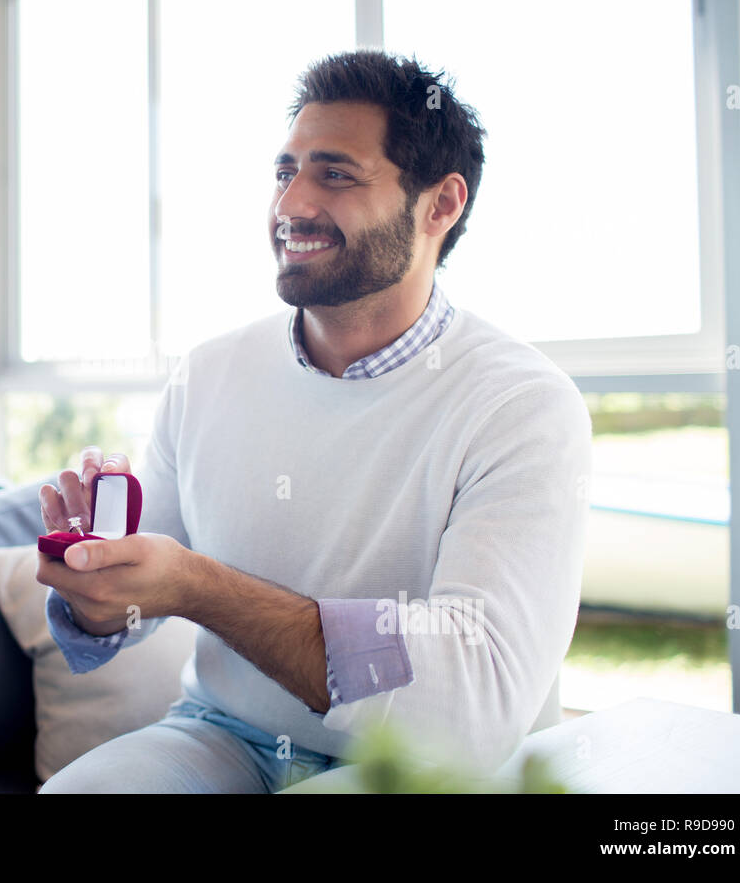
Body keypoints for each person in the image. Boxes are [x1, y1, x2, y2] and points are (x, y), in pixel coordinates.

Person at [36, 51, 592, 793]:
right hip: (221, 737)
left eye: (335, 174)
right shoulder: (206, 374)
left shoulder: (523, 406)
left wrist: (203, 587)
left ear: (440, 206)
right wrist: (99, 587)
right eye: (284, 171)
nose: (290, 204)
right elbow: (146, 597)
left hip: (418, 770)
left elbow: (472, 699)